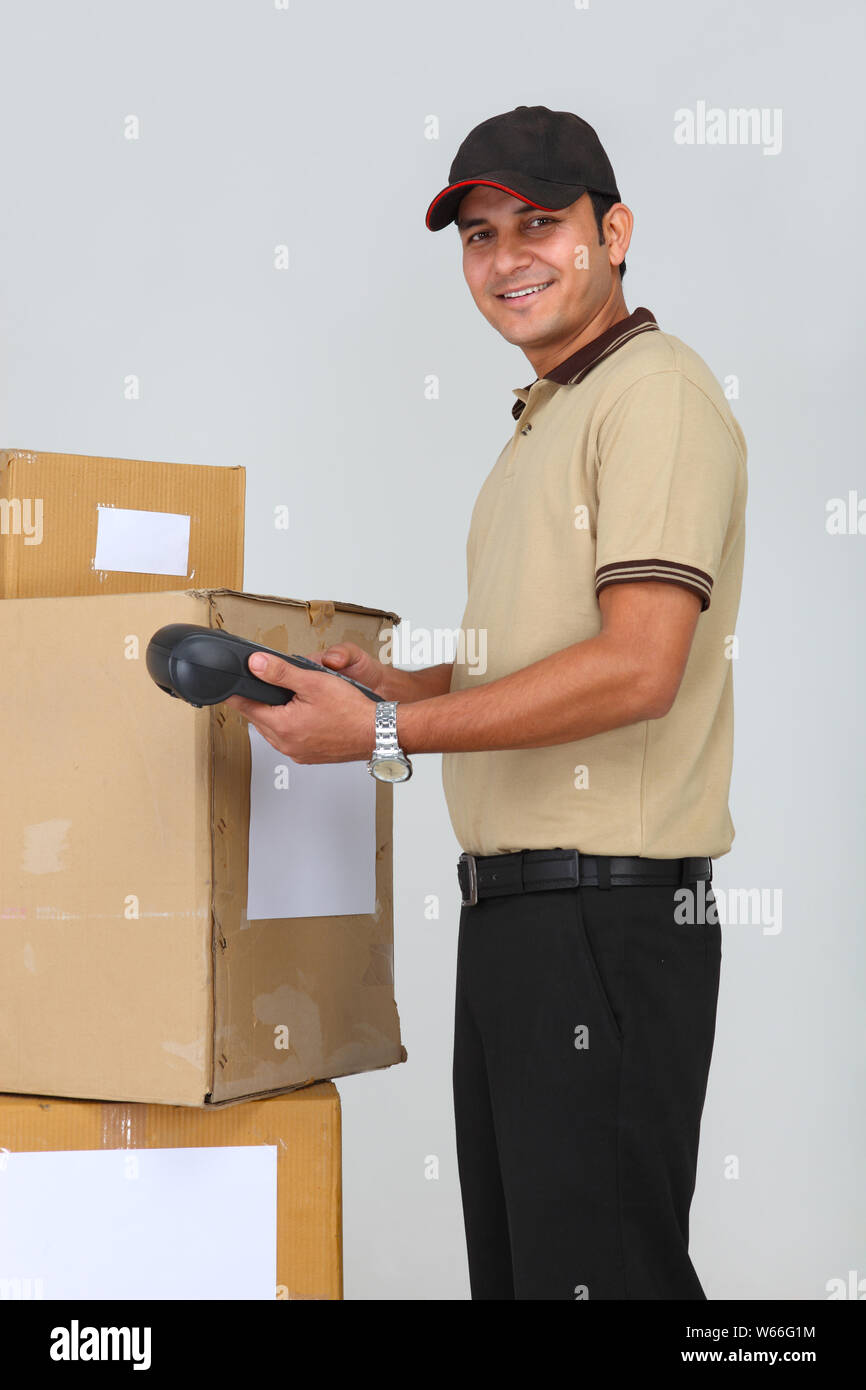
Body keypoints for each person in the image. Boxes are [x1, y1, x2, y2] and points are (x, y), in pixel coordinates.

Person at [227, 104, 748, 1301]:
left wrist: (387, 732)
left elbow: (635, 666)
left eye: (539, 224)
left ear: (612, 233)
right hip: (525, 920)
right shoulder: (551, 413)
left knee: (603, 1278)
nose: (505, 257)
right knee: (530, 1279)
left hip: (604, 921)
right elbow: (549, 653)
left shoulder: (653, 396)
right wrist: (398, 684)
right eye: (477, 234)